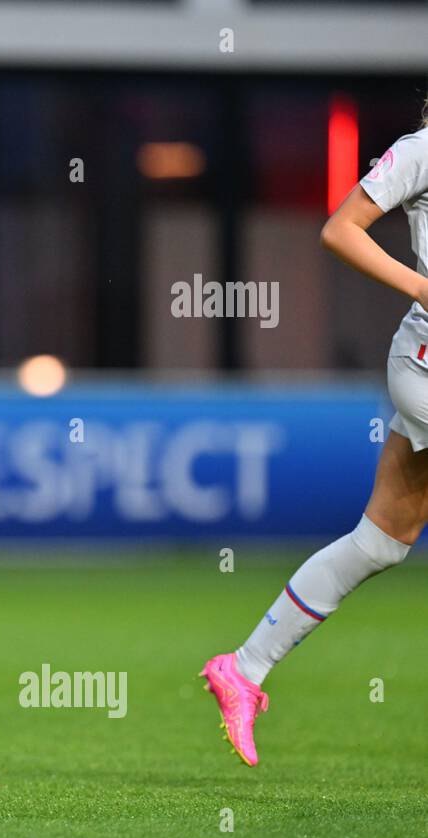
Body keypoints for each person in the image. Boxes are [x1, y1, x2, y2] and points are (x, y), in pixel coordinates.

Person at [202, 100, 428, 766]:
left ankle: (243, 668)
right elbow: (342, 229)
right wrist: (423, 286)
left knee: (383, 541)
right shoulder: (422, 149)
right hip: (424, 366)